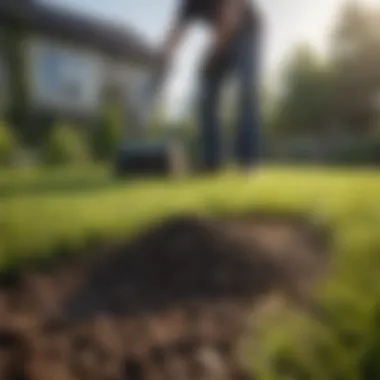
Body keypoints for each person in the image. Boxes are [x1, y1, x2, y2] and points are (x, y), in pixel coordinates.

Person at [159, 0, 263, 172]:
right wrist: (162, 60)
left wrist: (214, 50)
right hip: (221, 36)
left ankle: (248, 161)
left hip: (247, 32)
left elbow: (231, 12)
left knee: (247, 91)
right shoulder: (189, 4)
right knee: (207, 95)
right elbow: (176, 33)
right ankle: (211, 160)